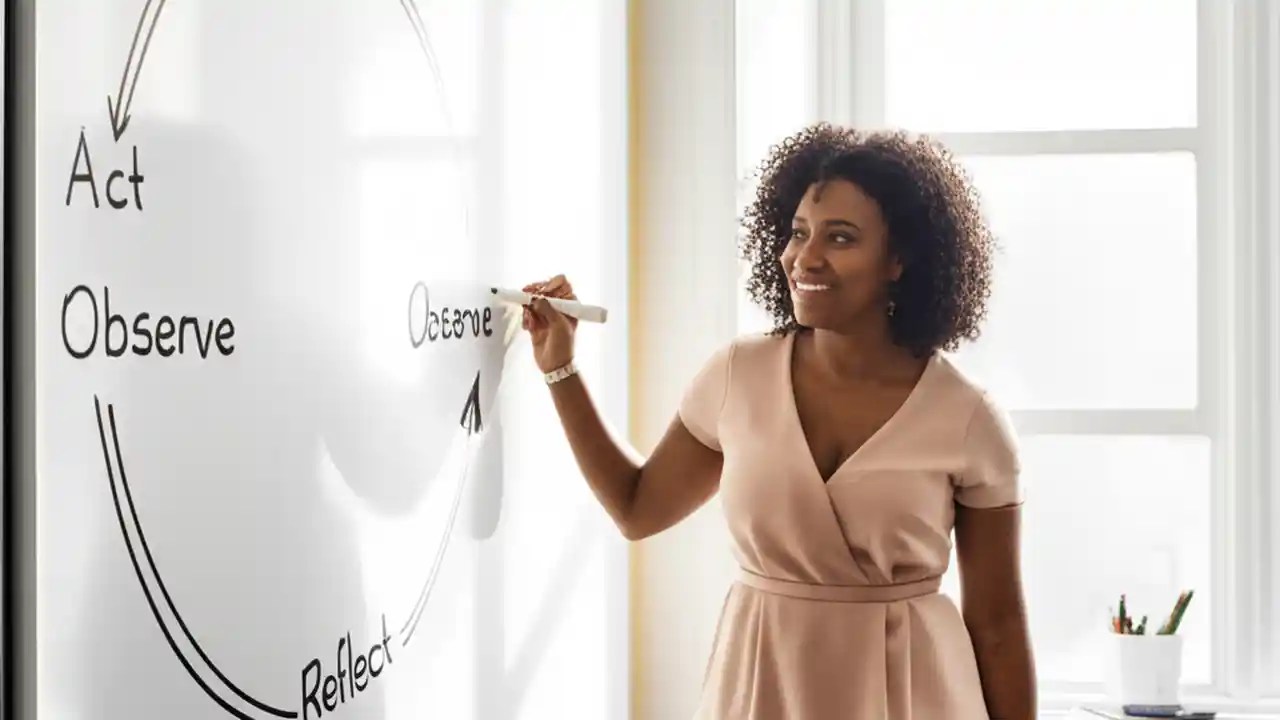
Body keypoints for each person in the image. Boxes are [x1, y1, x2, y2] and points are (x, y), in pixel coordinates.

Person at [519, 122, 1036, 719]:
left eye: (840, 238)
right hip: (763, 685)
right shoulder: (738, 374)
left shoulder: (970, 419)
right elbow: (637, 509)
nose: (803, 257)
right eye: (797, 233)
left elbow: (997, 625)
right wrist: (561, 369)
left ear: (899, 259)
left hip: (915, 697)